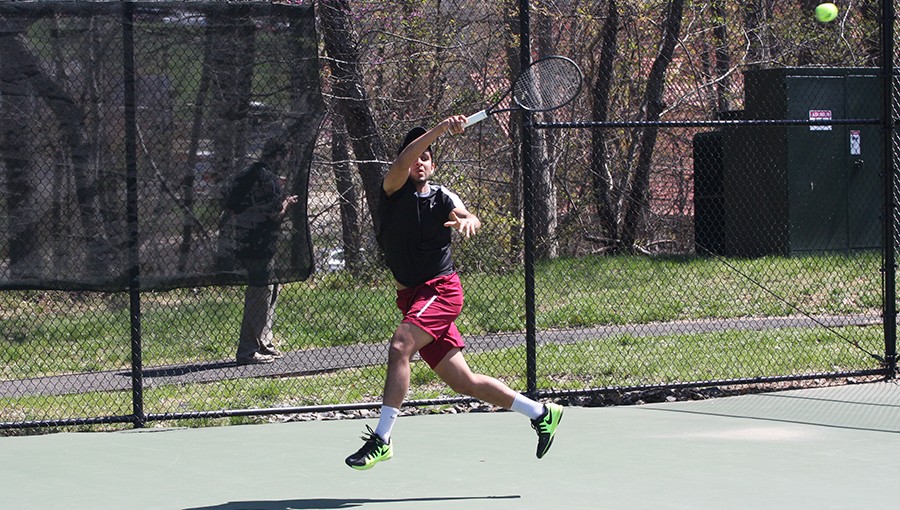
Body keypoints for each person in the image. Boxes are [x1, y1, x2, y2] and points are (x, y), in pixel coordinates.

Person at [344, 116, 563, 470]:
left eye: (427, 157)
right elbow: (402, 162)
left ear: (433, 165)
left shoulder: (442, 196)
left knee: (401, 345)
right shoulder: (392, 189)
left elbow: (463, 212)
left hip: (441, 291)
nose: (420, 161)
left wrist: (469, 219)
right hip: (413, 298)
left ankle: (382, 439)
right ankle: (540, 413)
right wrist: (441, 129)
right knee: (465, 382)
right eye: (415, 155)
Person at [223, 138, 298, 365]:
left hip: (245, 241)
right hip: (260, 246)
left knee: (271, 289)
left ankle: (264, 342)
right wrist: (287, 203)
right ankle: (247, 351)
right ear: (277, 156)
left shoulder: (247, 175)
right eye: (282, 157)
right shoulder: (268, 180)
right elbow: (275, 215)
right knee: (259, 295)